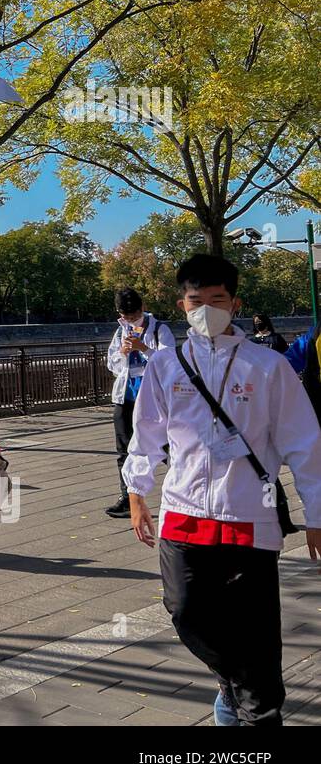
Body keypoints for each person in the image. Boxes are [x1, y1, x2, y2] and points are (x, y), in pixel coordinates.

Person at [125, 254, 321, 727]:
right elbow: (147, 432)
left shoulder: (267, 366)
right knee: (185, 611)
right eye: (197, 300)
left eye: (217, 300)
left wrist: (317, 515)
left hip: (248, 514)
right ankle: (238, 685)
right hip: (183, 510)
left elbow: (304, 444)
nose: (207, 308)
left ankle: (257, 708)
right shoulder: (166, 365)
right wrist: (137, 491)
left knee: (254, 630)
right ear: (182, 304)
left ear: (234, 303)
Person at [103, 288, 175, 519]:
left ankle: (184, 488)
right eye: (125, 316)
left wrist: (143, 348)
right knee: (124, 449)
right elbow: (112, 365)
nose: (130, 320)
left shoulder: (159, 330)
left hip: (153, 396)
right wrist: (123, 352)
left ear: (142, 308)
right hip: (126, 395)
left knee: (164, 446)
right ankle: (126, 497)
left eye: (134, 315)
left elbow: (169, 362)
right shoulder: (119, 332)